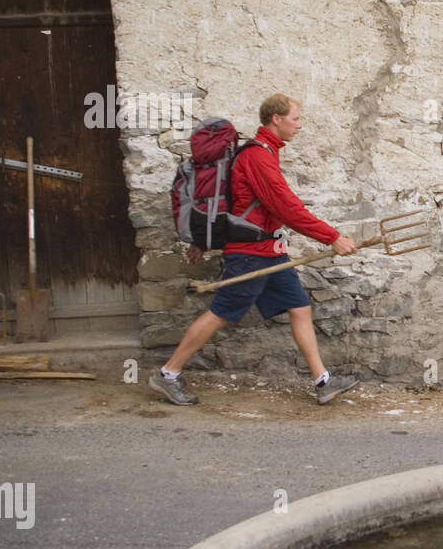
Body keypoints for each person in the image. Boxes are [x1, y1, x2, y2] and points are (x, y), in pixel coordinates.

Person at [149, 93, 360, 406]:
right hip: (251, 253)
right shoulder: (258, 157)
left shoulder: (265, 152)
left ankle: (322, 382)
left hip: (270, 250)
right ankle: (168, 374)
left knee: (299, 307)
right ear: (276, 118)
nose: (300, 126)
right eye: (296, 118)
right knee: (220, 313)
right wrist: (331, 237)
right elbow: (287, 207)